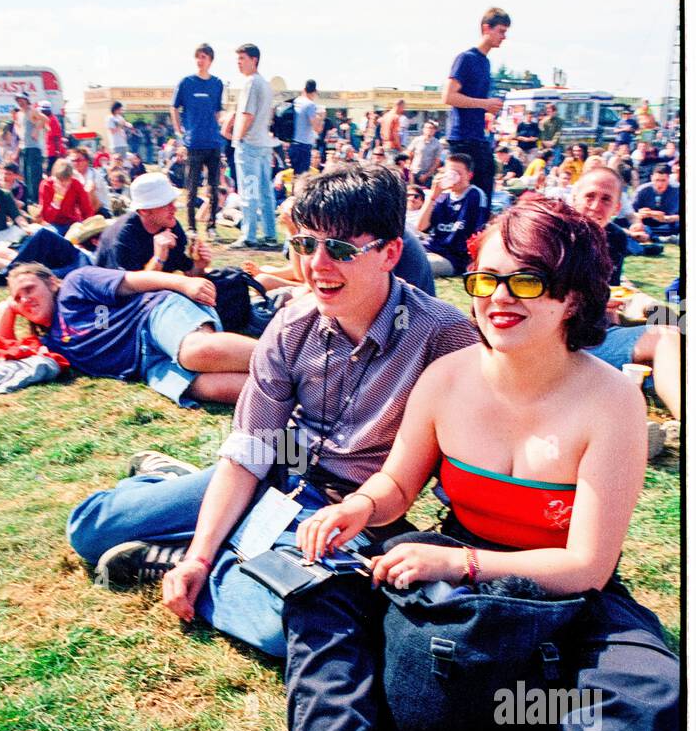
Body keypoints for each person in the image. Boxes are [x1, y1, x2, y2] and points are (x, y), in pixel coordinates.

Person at [264, 195, 678, 731]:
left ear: (573, 296)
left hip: (543, 637)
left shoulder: (610, 401)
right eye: (485, 274)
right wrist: (356, 509)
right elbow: (395, 485)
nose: (498, 294)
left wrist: (460, 560)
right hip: (452, 599)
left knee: (644, 686)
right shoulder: (449, 377)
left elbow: (583, 565)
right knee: (322, 601)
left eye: (525, 278)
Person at [69, 165, 476, 657]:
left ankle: (197, 545)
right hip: (276, 470)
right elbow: (250, 450)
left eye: (341, 249)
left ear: (391, 253)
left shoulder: (445, 337)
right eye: (305, 245)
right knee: (89, 530)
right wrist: (198, 559)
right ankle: (203, 530)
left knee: (281, 626)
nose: (317, 266)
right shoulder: (291, 325)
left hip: (349, 511)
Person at [0, 259, 254, 407]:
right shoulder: (51, 343)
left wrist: (184, 282)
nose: (25, 299)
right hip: (146, 364)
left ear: (50, 282)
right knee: (204, 386)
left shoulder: (76, 284)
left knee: (195, 352)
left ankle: (291, 357)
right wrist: (6, 310)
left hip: (155, 314)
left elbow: (133, 280)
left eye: (29, 289)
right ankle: (288, 389)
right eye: (18, 298)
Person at [572, 166, 680, 420]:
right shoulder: (557, 237)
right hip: (569, 341)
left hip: (602, 332)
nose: (596, 205)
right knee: (666, 337)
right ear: (574, 197)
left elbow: (610, 295)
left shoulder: (615, 238)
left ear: (617, 208)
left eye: (606, 199)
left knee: (673, 326)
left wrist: (628, 306)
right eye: (589, 196)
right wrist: (597, 301)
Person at [443, 8, 510, 211]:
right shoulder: (466, 58)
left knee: (483, 195)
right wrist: (484, 104)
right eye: (500, 31)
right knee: (466, 197)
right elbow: (448, 96)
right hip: (463, 138)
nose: (503, 37)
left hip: (477, 136)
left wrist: (487, 110)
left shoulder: (485, 62)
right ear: (486, 28)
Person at [94, 172, 210, 275]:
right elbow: (130, 291)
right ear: (145, 211)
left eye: (173, 202)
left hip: (159, 293)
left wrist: (198, 266)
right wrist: (158, 258)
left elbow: (190, 273)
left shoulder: (170, 226)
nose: (174, 209)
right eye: (166, 205)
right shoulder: (122, 237)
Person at [225, 43, 278, 250]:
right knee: (266, 192)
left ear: (253, 60)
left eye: (242, 59)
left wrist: (237, 138)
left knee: (249, 192)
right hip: (264, 144)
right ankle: (270, 233)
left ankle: (249, 236)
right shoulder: (265, 84)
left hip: (250, 145)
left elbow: (247, 114)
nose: (239, 63)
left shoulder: (250, 83)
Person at [170, 43, 225, 238]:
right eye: (198, 57)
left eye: (204, 57)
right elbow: (174, 108)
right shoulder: (186, 82)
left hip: (213, 143)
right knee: (191, 187)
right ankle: (191, 227)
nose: (200, 60)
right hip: (193, 144)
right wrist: (179, 134)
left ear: (210, 60)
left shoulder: (217, 83)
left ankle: (211, 227)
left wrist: (218, 129)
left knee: (214, 187)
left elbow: (218, 111)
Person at [417, 153, 488, 277]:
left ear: (469, 176)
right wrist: (432, 197)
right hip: (431, 248)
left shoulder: (475, 195)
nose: (453, 177)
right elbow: (421, 227)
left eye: (458, 173)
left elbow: (479, 233)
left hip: (453, 258)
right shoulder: (442, 196)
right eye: (450, 173)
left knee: (418, 264)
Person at [629, 163, 680, 246]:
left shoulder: (677, 190)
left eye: (663, 180)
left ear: (668, 178)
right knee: (632, 225)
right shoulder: (642, 190)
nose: (660, 184)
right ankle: (660, 238)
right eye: (657, 180)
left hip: (669, 224)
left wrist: (666, 218)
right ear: (651, 178)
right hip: (646, 224)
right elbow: (630, 213)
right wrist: (641, 215)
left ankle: (655, 237)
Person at [38, 158, 93, 234]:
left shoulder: (75, 184)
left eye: (67, 180)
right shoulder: (46, 185)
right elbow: (47, 218)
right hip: (53, 224)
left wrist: (90, 226)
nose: (64, 184)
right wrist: (57, 198)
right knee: (51, 234)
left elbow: (86, 209)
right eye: (60, 180)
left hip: (72, 223)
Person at [13, 94, 47, 206]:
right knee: (26, 176)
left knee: (34, 176)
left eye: (22, 100)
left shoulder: (31, 111)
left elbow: (45, 119)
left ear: (27, 100)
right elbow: (21, 133)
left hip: (33, 148)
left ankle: (37, 201)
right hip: (25, 148)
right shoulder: (19, 114)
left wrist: (36, 130)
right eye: (18, 100)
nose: (20, 102)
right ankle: (30, 201)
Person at [290, 79, 324, 178]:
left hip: (293, 145)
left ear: (304, 89)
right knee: (302, 178)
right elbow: (317, 128)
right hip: (303, 147)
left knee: (295, 177)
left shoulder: (296, 101)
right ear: (314, 92)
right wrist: (321, 117)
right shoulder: (310, 105)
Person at [408, 120, 442, 185]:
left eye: (432, 128)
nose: (429, 130)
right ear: (423, 129)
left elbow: (436, 161)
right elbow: (409, 154)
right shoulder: (417, 140)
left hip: (427, 175)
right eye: (427, 128)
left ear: (435, 130)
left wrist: (427, 175)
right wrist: (409, 170)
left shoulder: (437, 144)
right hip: (414, 172)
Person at [379, 98, 408, 163]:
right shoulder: (395, 117)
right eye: (403, 107)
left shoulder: (385, 115)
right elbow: (395, 134)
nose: (403, 109)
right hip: (393, 146)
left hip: (385, 145)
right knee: (395, 168)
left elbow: (381, 132)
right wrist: (400, 148)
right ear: (399, 106)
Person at [42, 102, 64, 170]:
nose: (43, 112)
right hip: (48, 151)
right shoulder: (47, 119)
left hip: (53, 152)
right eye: (42, 110)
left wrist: (57, 151)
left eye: (45, 110)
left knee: (51, 171)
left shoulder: (53, 120)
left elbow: (56, 137)